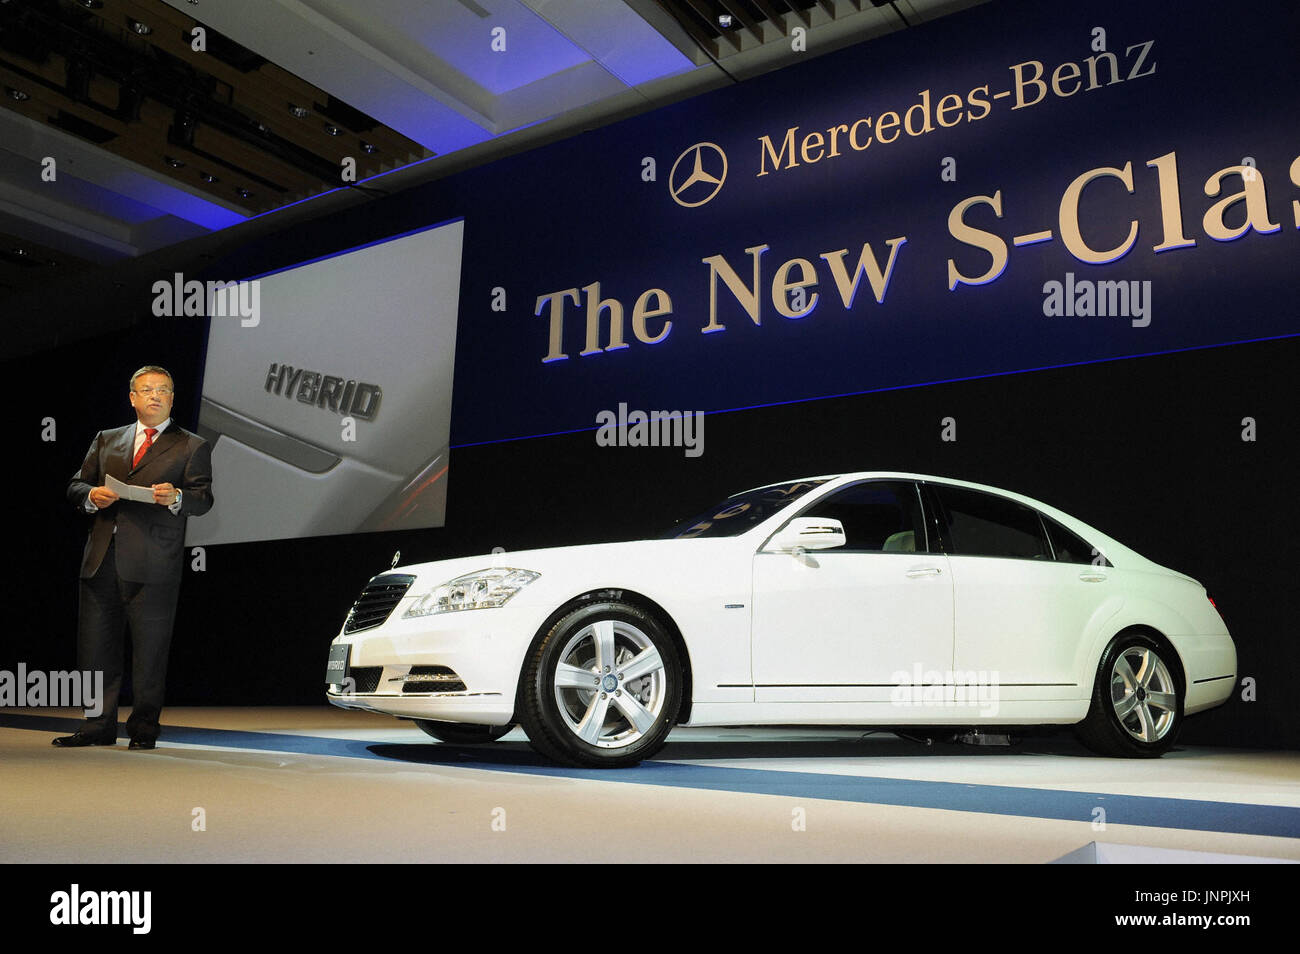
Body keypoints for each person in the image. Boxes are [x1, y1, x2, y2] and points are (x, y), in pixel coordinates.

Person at [54, 365, 213, 750]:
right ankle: (97, 726)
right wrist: (90, 496)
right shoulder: (106, 439)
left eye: (163, 390)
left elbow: (203, 499)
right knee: (94, 649)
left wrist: (176, 497)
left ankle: (143, 728)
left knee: (150, 652)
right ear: (132, 398)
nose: (155, 396)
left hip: (155, 564)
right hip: (101, 559)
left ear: (172, 398)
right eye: (146, 390)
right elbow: (76, 484)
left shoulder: (192, 445)